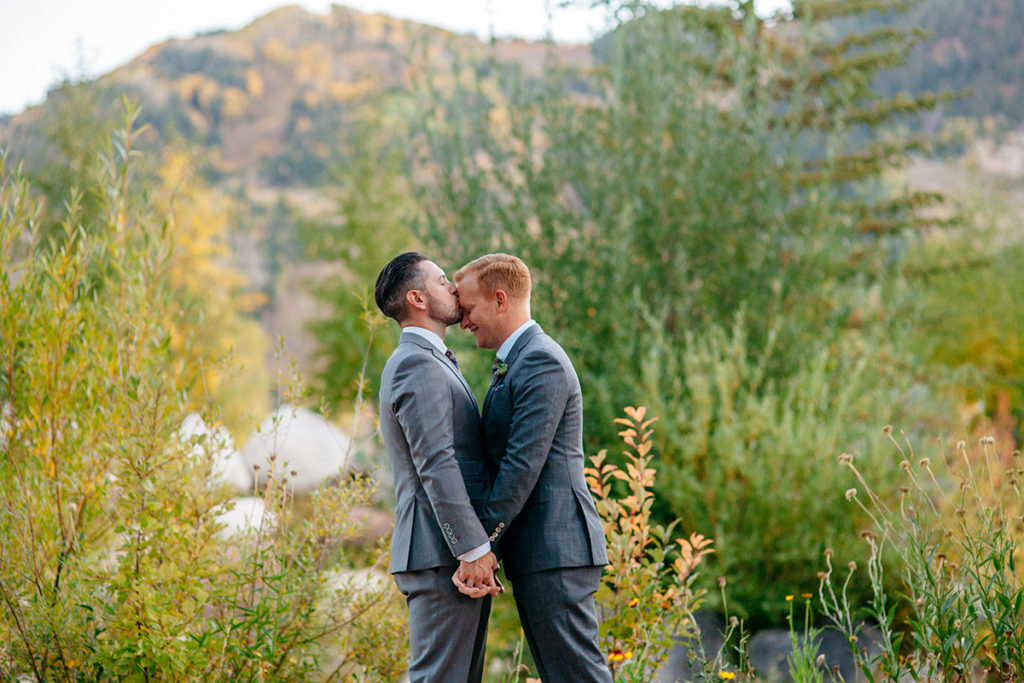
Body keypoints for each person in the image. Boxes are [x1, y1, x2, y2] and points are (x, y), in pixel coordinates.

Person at [453, 253, 612, 683]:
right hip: (541, 551)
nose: (462, 321)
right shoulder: (520, 359)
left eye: (468, 309)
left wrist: (480, 544)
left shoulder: (541, 360)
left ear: (500, 300)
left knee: (580, 677)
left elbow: (521, 465)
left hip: (556, 548)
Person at [374, 251, 500, 683]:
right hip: (441, 555)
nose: (453, 287)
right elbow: (436, 462)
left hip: (446, 555)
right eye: (442, 280)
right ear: (418, 299)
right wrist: (473, 550)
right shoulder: (416, 363)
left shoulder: (432, 359)